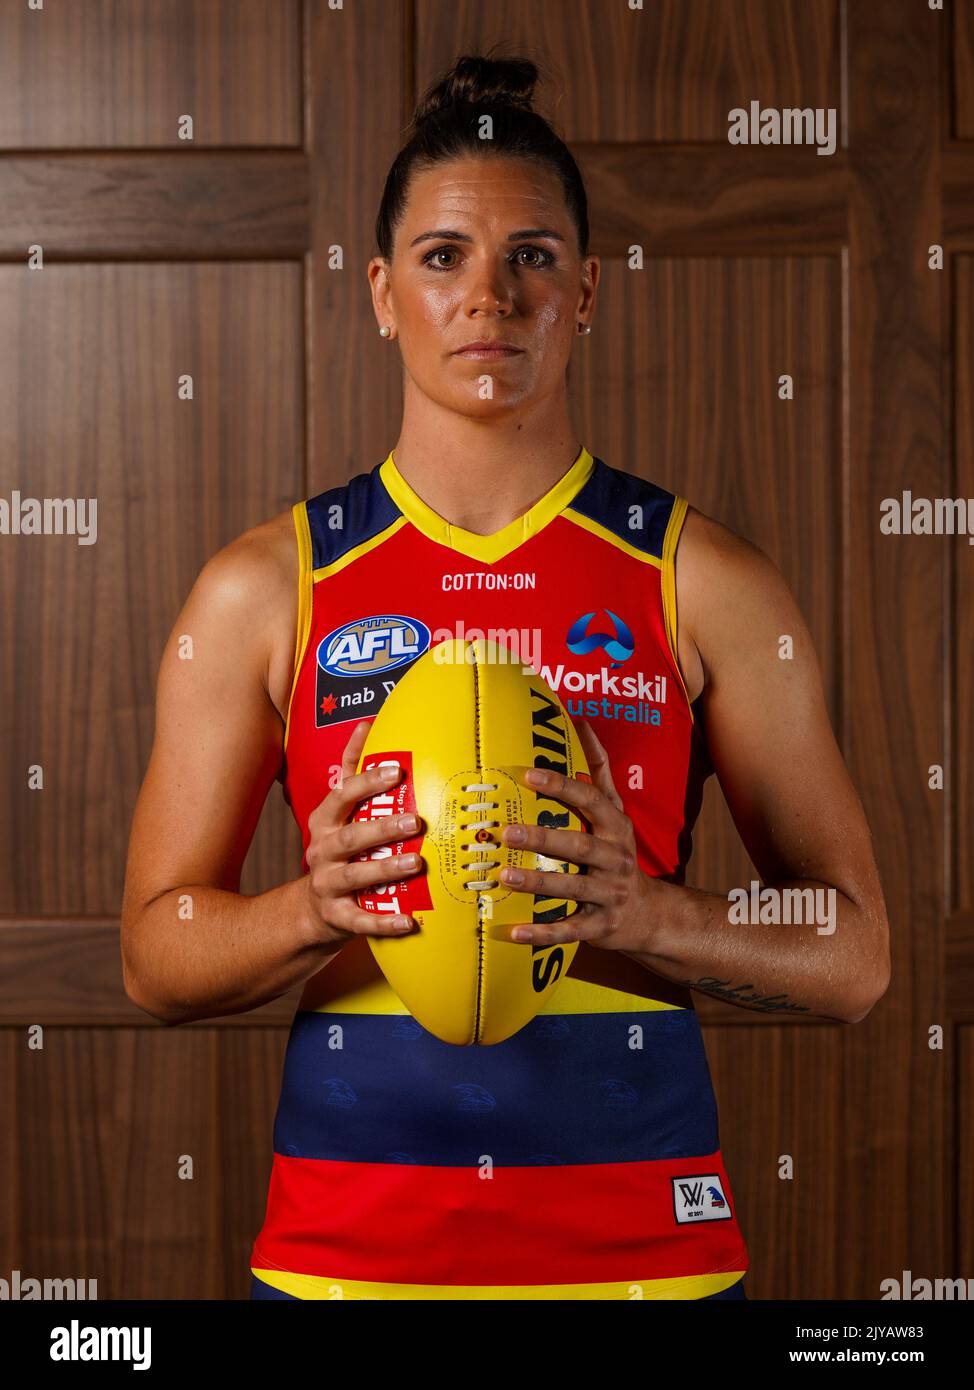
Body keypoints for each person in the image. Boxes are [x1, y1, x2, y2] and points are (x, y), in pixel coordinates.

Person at [121, 53, 890, 1301]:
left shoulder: (701, 579)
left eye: (531, 256)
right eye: (442, 258)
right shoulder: (269, 586)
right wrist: (310, 909)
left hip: (644, 1258)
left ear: (585, 292)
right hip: (346, 1263)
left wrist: (650, 913)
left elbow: (857, 959)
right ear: (379, 293)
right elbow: (156, 951)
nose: (490, 296)